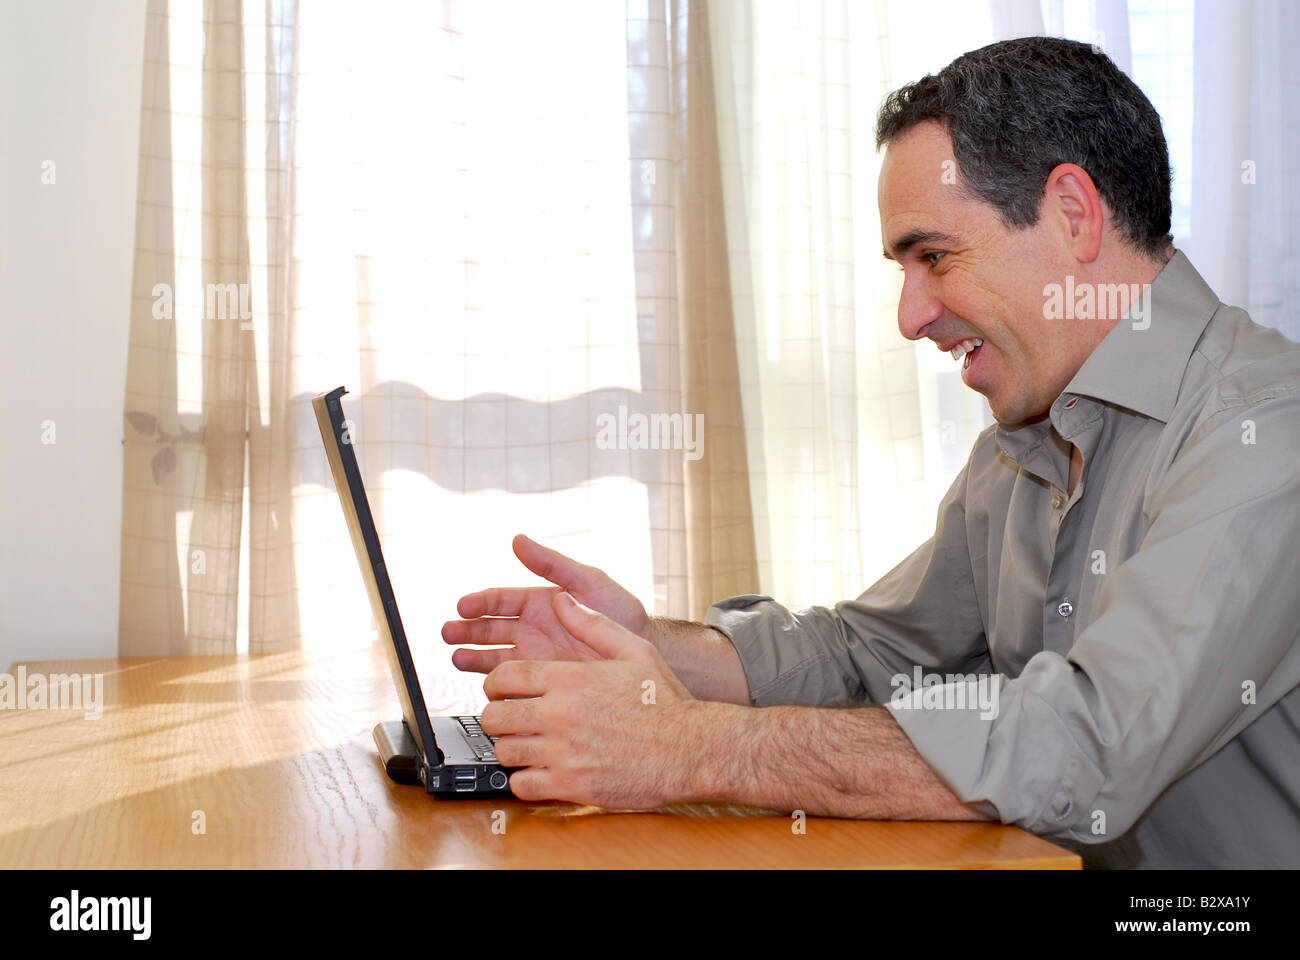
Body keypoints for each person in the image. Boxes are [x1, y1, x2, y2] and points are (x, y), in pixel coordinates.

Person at [441, 37, 1300, 868]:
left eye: (934, 255)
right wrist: (657, 652)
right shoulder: (1031, 439)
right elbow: (875, 656)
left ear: (1073, 215)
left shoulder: (1268, 428)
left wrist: (685, 747)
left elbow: (1085, 742)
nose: (911, 315)